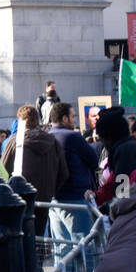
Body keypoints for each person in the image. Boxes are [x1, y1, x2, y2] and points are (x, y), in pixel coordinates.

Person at [1, 104, 68, 234]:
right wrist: (50, 191)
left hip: (19, 200)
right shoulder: (53, 142)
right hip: (45, 200)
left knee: (20, 241)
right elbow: (63, 173)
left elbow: (2, 172)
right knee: (40, 240)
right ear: (37, 119)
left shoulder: (14, 142)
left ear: (20, 121)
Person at [47, 101, 100, 248]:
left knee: (61, 248)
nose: (75, 120)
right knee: (84, 247)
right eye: (73, 116)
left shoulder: (47, 136)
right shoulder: (73, 137)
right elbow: (94, 161)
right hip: (75, 198)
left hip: (53, 200)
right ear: (64, 119)